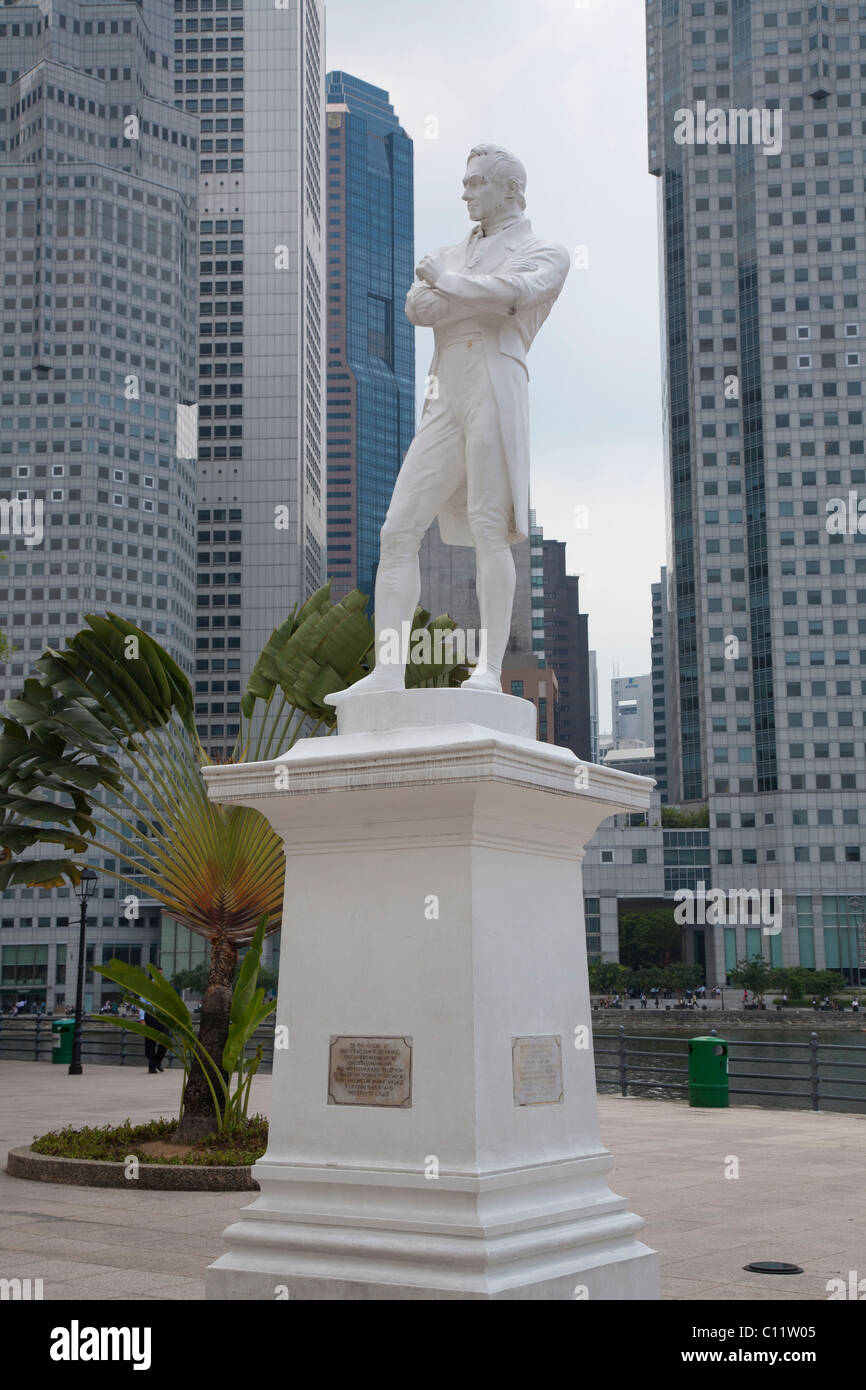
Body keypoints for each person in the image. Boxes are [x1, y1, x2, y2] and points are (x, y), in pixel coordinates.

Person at [326, 144, 570, 702]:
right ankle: (388, 670)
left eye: (477, 182)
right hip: (445, 392)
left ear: (510, 189)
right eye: (464, 183)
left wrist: (453, 285)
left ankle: (488, 668)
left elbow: (516, 294)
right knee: (397, 530)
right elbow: (419, 308)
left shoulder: (544, 250)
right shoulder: (451, 252)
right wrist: (468, 294)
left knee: (490, 527)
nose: (465, 192)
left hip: (493, 385)